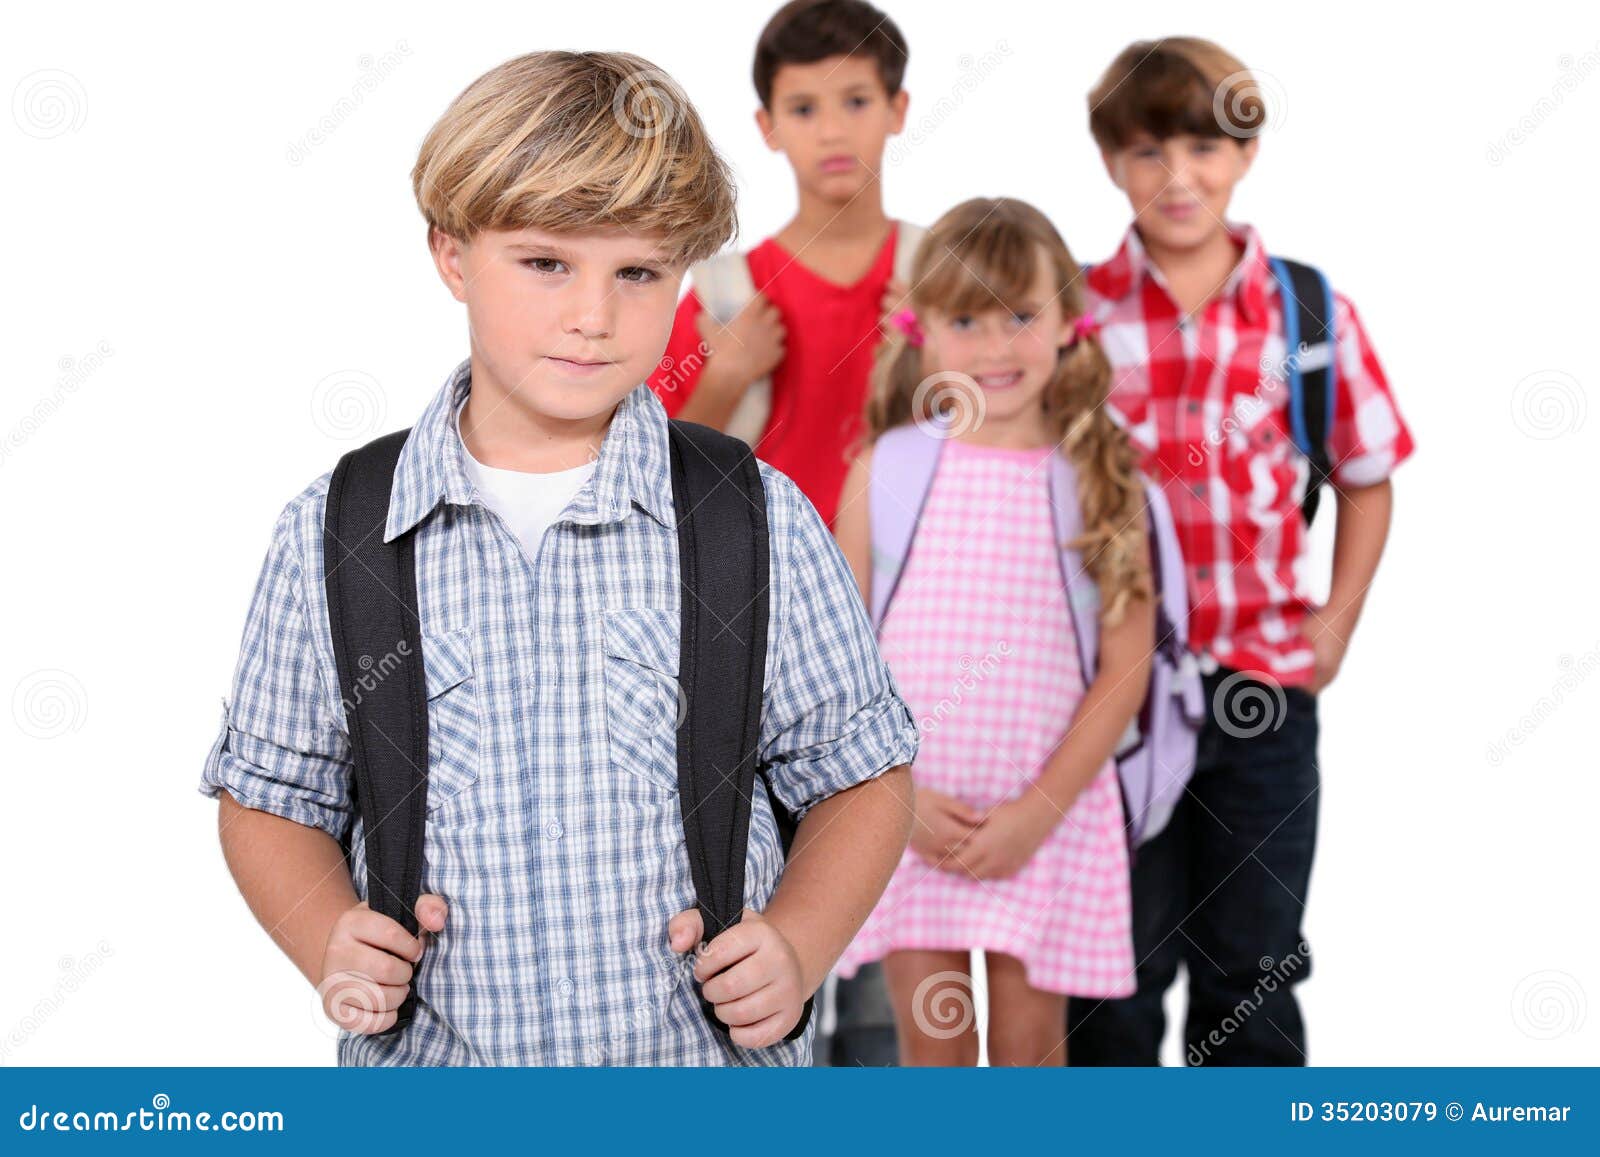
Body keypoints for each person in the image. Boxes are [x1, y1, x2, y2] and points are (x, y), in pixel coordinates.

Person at [197, 50, 919, 1067]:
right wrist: (327, 932)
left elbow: (860, 773)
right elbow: (271, 796)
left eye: (638, 272)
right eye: (546, 263)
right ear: (451, 254)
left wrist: (799, 942)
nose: (593, 315)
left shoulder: (750, 517)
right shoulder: (342, 530)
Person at [1065, 38, 1416, 1065]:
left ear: (1246, 152)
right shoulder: (1075, 317)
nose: (1177, 177)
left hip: (1261, 691)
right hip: (1116, 702)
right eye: (1146, 152)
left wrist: (1337, 619)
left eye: (1204, 147)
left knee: (1251, 970)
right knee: (1112, 975)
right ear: (1110, 162)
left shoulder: (1306, 314)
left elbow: (1366, 471)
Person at [830, 198, 1156, 1066]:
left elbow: (1126, 666)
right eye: (967, 319)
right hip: (910, 817)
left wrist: (1032, 815)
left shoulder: (1098, 475)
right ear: (920, 327)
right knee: (934, 1061)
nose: (997, 346)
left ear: (1069, 321)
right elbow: (837, 665)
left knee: (1029, 1061)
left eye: (1021, 315)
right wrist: (898, 804)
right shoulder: (885, 468)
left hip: (1047, 822)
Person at [647, 0, 919, 528]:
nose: (833, 132)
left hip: (919, 590)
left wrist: (941, 358)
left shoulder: (942, 280)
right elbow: (654, 475)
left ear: (898, 109)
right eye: (803, 109)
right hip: (766, 589)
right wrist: (724, 377)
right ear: (767, 126)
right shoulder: (724, 297)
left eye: (857, 101)